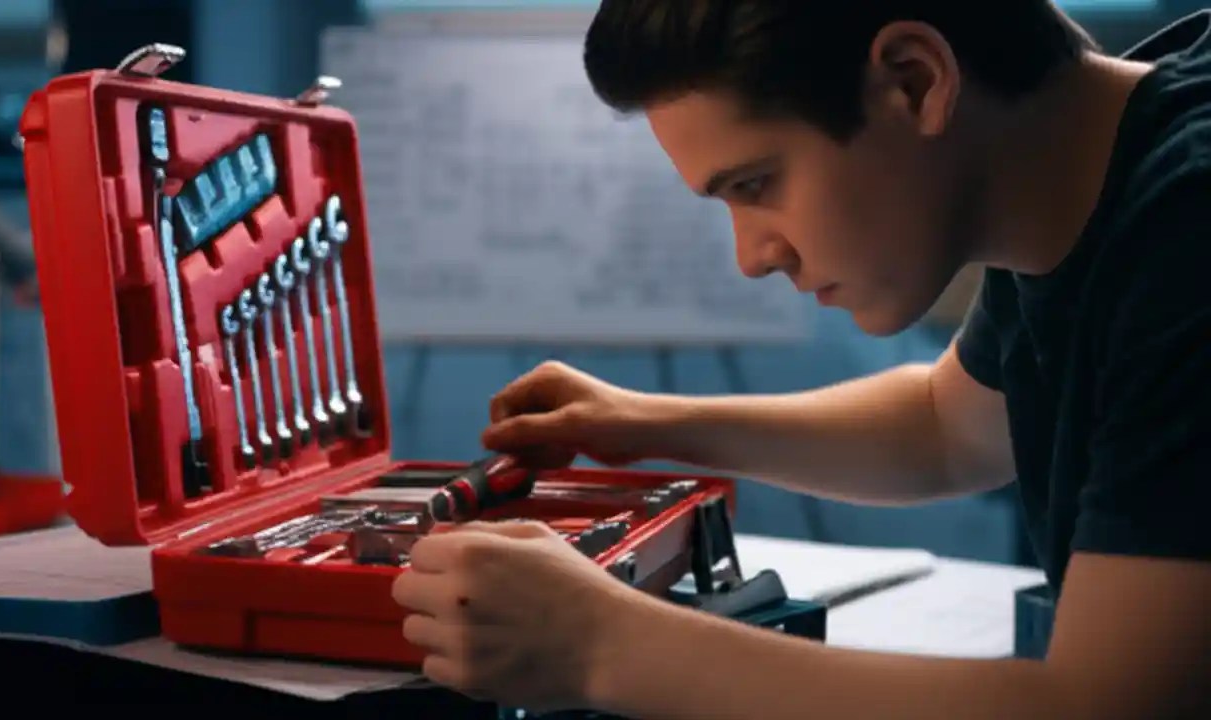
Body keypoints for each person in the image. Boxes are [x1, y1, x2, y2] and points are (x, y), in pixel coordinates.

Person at [389, 2, 1211, 717]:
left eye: (755, 184)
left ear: (915, 82)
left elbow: (1111, 706)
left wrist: (599, 648)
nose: (752, 256)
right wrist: (640, 424)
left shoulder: (1186, 227)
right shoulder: (1084, 182)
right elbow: (947, 426)